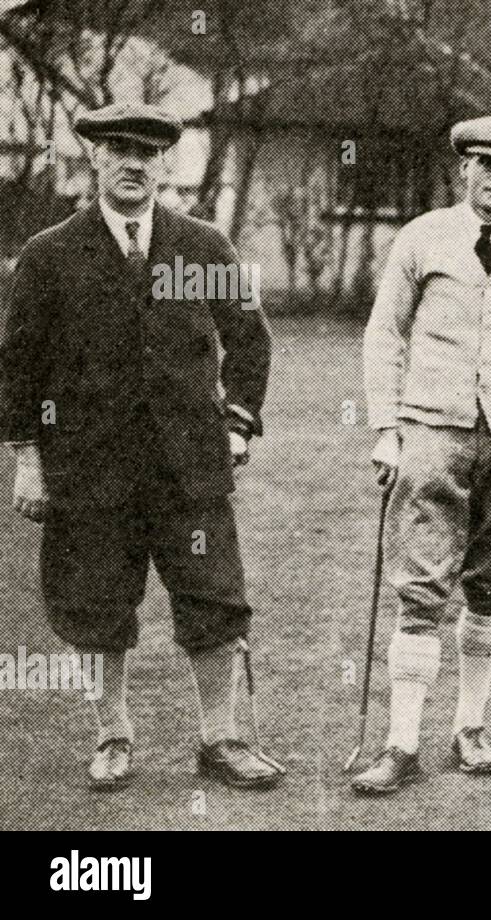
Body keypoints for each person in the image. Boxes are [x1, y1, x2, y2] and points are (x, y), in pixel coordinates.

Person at [0, 102, 279, 790]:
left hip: (189, 470)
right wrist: (27, 459)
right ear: (94, 157)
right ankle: (112, 736)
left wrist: (237, 424)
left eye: (147, 152)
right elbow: (19, 365)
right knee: (95, 604)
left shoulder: (201, 247)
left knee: (214, 600)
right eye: (119, 149)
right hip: (89, 470)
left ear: (164, 163)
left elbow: (248, 339)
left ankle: (220, 739)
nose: (133, 163)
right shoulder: (51, 254)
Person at [354, 115, 491, 795]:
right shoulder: (423, 238)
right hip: (433, 432)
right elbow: (385, 335)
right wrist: (386, 428)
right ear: (465, 170)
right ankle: (400, 744)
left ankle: (470, 726)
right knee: (421, 586)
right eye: (487, 165)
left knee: (490, 578)